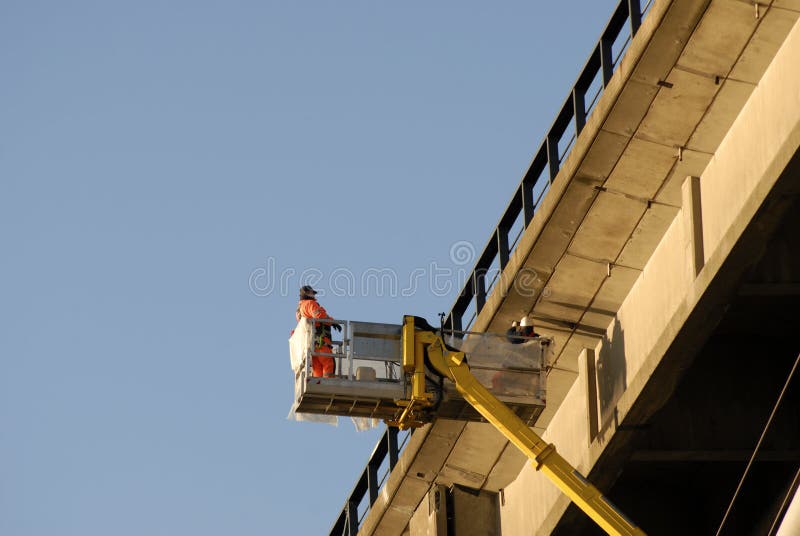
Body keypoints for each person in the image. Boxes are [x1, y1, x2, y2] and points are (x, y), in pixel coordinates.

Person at [296, 285, 340, 378]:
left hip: (312, 345)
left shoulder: (300, 310)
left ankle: (320, 386)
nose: (314, 295)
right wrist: (332, 322)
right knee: (329, 364)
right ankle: (328, 385)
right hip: (321, 343)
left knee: (317, 370)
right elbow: (319, 315)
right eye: (312, 293)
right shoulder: (310, 304)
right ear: (307, 293)